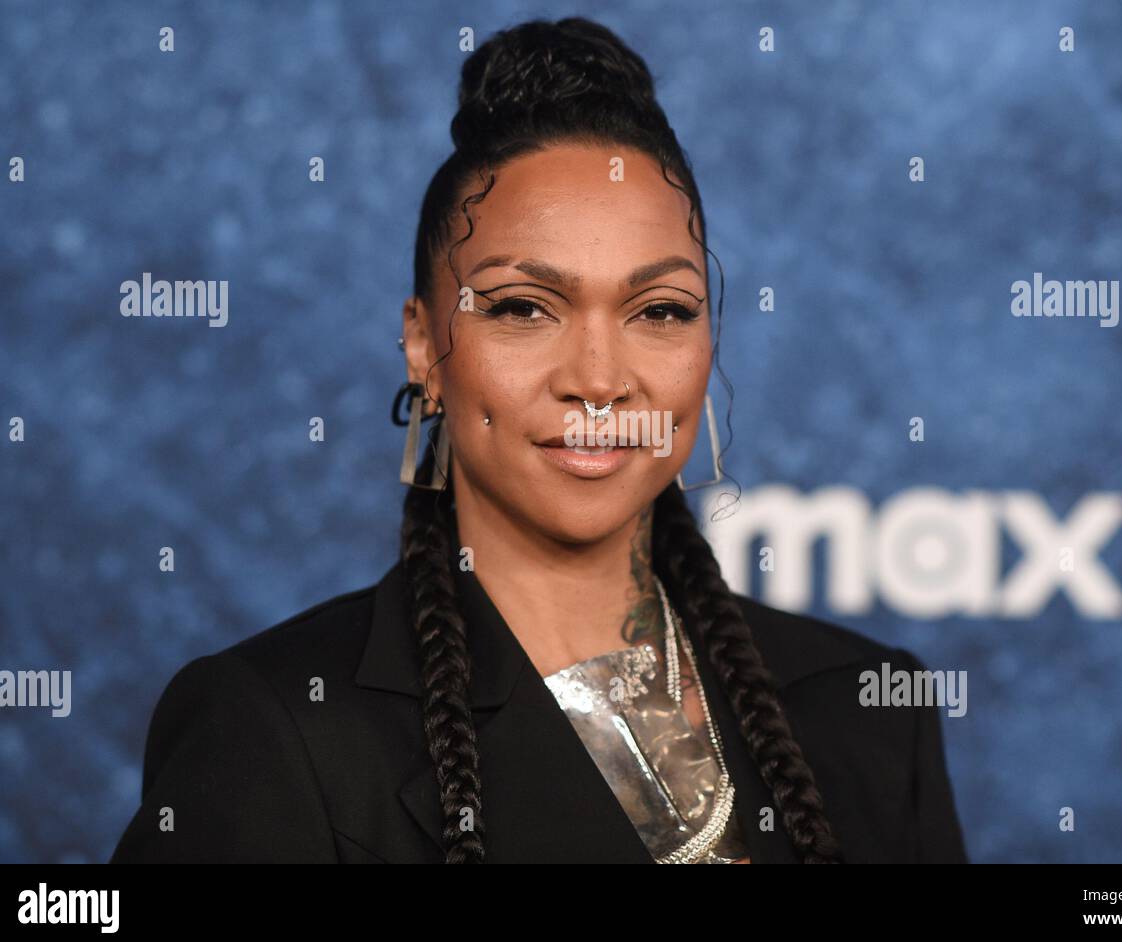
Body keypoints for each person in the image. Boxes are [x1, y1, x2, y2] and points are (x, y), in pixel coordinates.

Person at [111, 16, 967, 864]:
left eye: (659, 311)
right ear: (423, 347)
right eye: (524, 307)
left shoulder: (871, 708)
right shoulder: (277, 730)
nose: (599, 379)